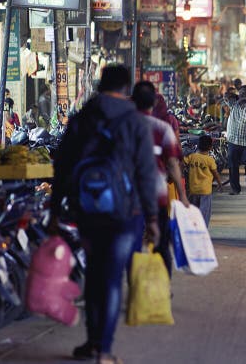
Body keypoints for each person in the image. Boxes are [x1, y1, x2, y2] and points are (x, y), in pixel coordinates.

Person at [50, 65, 159, 364]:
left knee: (95, 274)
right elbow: (146, 173)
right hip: (126, 213)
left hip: (86, 211)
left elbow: (62, 167)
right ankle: (104, 350)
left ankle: (91, 341)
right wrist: (152, 217)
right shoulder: (135, 121)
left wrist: (54, 209)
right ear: (126, 88)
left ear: (100, 85)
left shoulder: (82, 117)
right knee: (111, 279)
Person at [131, 81, 189, 276]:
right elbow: (172, 163)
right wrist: (182, 194)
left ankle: (134, 290)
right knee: (161, 244)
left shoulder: (120, 127)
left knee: (131, 245)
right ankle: (161, 288)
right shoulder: (163, 128)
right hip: (157, 195)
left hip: (127, 196)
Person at [185, 135, 222, 227]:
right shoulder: (210, 160)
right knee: (204, 212)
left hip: (193, 189)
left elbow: (182, 163)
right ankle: (202, 229)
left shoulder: (192, 157)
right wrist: (219, 183)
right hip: (205, 191)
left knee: (193, 210)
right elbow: (215, 173)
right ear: (210, 147)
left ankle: (193, 227)